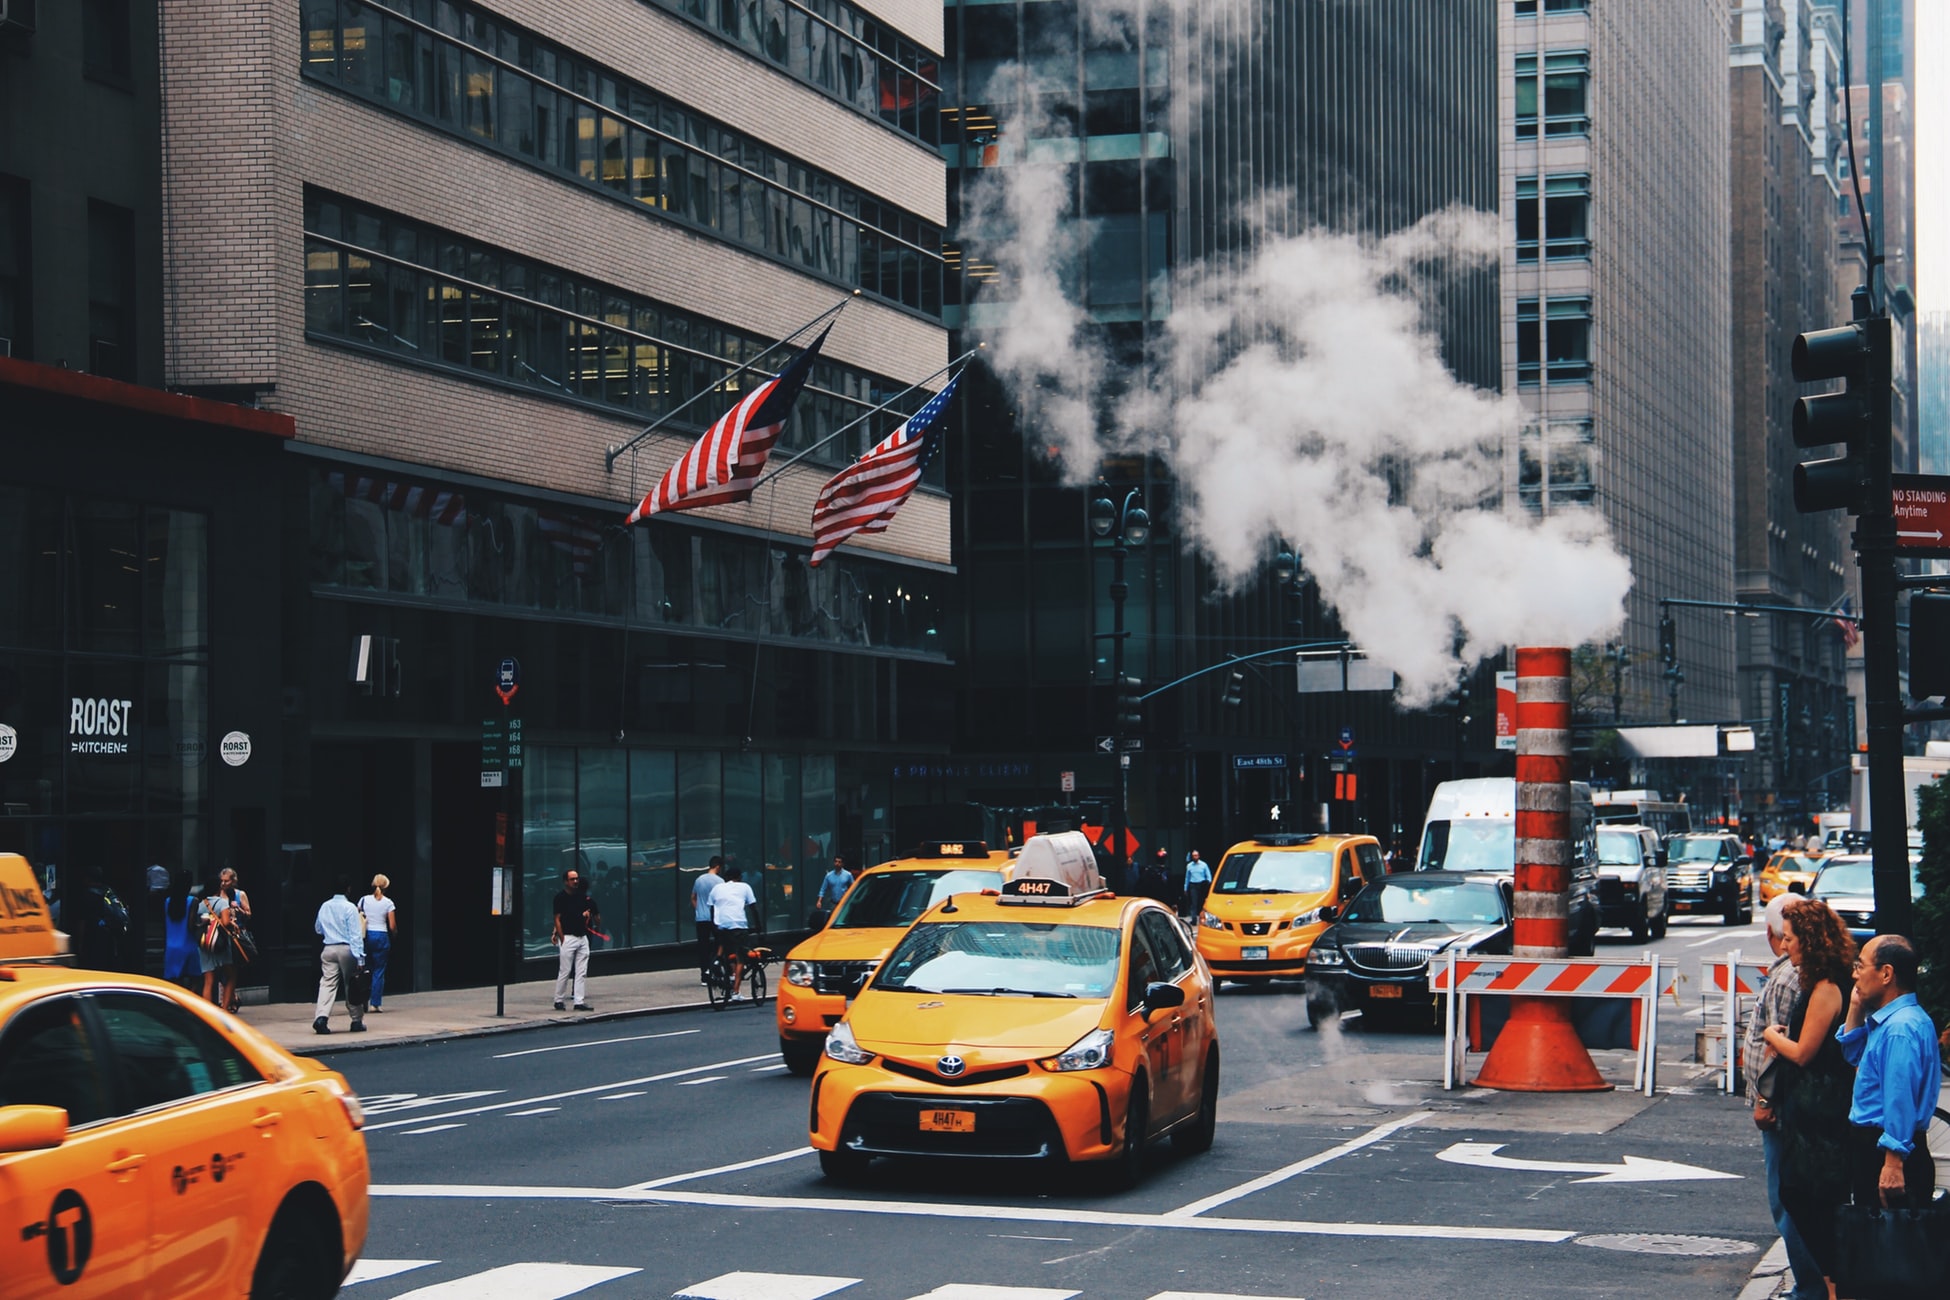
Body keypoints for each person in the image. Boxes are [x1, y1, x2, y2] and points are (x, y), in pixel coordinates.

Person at [1762, 898, 1857, 1293]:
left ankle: (1833, 1287)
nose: (1784, 947)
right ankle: (1833, 1285)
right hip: (1810, 1110)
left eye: (1790, 939)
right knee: (1803, 1196)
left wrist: (1772, 1037)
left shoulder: (1826, 988)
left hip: (1820, 1114)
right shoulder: (1817, 982)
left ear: (1810, 940)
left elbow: (1804, 1053)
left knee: (1809, 1199)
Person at [1744, 896, 1819, 1300]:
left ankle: (1809, 1288)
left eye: (1789, 937)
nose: (1785, 944)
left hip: (1782, 1106)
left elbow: (1779, 1046)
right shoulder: (1801, 973)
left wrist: (1764, 1101)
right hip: (1794, 1103)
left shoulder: (1789, 978)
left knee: (1785, 1199)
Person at [1835, 933, 1941, 1211]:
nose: (1854, 975)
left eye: (1860, 966)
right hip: (1882, 1145)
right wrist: (1856, 1006)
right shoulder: (1894, 1020)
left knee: (1888, 1247)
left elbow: (1899, 1096)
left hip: (1885, 1148)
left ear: (1886, 974)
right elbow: (1854, 1055)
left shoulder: (1899, 1029)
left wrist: (1893, 1163)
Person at [312, 877, 367, 1035]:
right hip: (346, 948)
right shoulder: (350, 908)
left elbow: (318, 928)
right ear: (348, 889)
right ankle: (356, 1020)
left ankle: (321, 1017)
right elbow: (355, 935)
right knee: (352, 984)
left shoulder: (325, 906)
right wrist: (360, 958)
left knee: (327, 984)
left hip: (328, 948)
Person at [551, 868, 601, 1011]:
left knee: (581, 971)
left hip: (582, 937)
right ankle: (558, 999)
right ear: (565, 881)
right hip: (568, 936)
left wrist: (591, 917)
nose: (575, 881)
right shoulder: (560, 898)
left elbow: (596, 917)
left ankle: (579, 1001)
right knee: (565, 970)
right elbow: (557, 919)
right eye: (572, 879)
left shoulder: (583, 898)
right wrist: (561, 937)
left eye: (576, 879)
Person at [709, 865, 758, 1000]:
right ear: (739, 877)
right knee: (741, 957)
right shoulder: (745, 887)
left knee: (728, 950)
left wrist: (715, 926)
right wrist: (757, 926)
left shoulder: (717, 888)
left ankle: (726, 971)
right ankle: (735, 992)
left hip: (721, 925)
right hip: (738, 925)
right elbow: (753, 908)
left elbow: (712, 908)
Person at [196, 872, 240, 1008]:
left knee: (208, 980)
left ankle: (208, 1013)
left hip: (205, 943)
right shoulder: (222, 902)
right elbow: (226, 922)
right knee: (231, 976)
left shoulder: (201, 904)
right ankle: (225, 1010)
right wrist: (231, 923)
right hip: (220, 944)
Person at [215, 867, 253, 1011]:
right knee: (223, 969)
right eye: (222, 881)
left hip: (236, 935)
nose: (224, 884)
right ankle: (230, 998)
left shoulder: (240, 894)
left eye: (227, 881)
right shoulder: (218, 895)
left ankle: (229, 999)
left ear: (233, 881)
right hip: (222, 935)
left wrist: (239, 910)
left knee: (232, 969)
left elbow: (249, 914)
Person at [358, 875, 397, 1012]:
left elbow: (358, 917)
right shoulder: (388, 903)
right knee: (379, 971)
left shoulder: (363, 900)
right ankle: (375, 1003)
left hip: (367, 935)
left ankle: (362, 1000)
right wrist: (394, 935)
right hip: (381, 935)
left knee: (365, 969)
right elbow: (392, 925)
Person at [161, 870, 200, 989]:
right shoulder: (193, 901)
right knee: (195, 980)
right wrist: (203, 923)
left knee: (176, 983)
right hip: (188, 945)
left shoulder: (168, 901)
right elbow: (190, 925)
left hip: (171, 946)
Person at [691, 856, 723, 980]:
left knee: (703, 947)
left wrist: (698, 909)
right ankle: (716, 969)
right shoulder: (720, 881)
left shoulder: (699, 879)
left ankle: (704, 974)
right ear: (718, 866)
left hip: (701, 918)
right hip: (715, 918)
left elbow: (693, 897)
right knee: (719, 944)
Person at [811, 854, 852, 930]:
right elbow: (823, 889)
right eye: (836, 861)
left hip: (844, 903)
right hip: (833, 903)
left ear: (842, 864)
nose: (837, 863)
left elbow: (853, 887)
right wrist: (819, 901)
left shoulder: (848, 875)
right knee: (834, 921)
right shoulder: (829, 876)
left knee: (844, 921)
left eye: (839, 862)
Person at [1182, 850, 1212, 918]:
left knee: (1202, 902)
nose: (1194, 857)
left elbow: (1209, 875)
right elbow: (1187, 877)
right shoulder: (1189, 866)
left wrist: (1209, 884)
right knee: (1194, 902)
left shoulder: (1204, 865)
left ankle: (1203, 917)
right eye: (1193, 856)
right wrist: (1185, 888)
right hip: (1193, 885)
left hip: (1202, 885)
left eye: (1196, 855)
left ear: (1198, 856)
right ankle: (1194, 918)